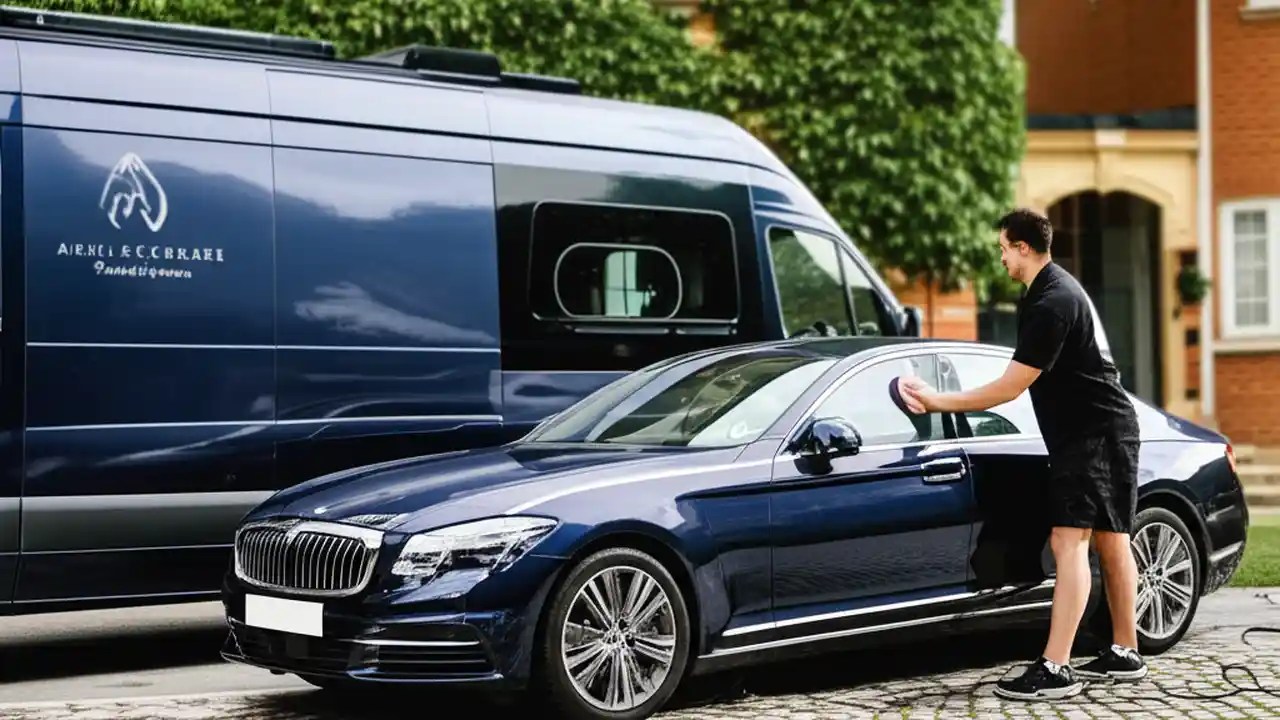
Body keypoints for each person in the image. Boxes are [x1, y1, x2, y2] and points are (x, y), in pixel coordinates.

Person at [896, 208, 1147, 701]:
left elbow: (1009, 388)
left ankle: (1055, 667)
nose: (1002, 258)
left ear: (1024, 248)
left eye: (1004, 248)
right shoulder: (1058, 290)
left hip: (1092, 435)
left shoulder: (1051, 302)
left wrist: (934, 401)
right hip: (1107, 429)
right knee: (1111, 539)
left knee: (1068, 539)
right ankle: (1125, 652)